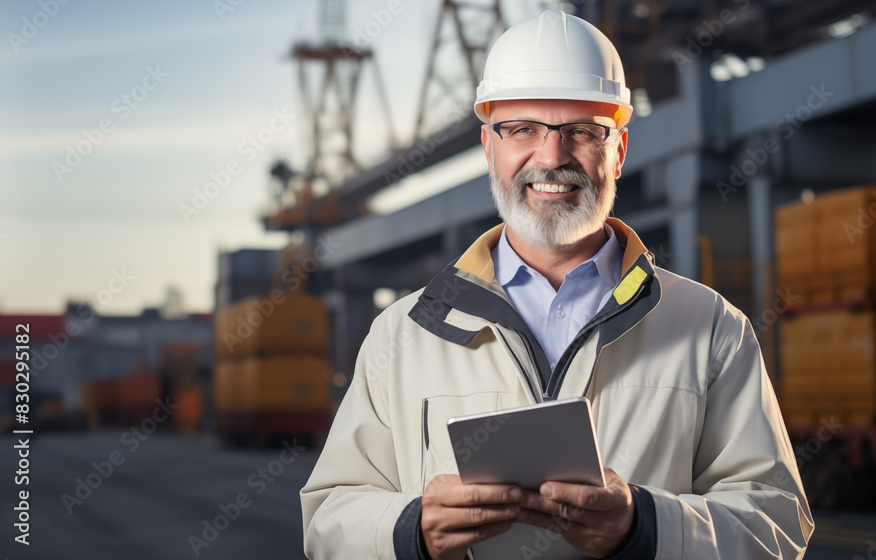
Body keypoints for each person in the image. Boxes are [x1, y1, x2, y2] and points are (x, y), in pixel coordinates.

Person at [301, 9, 813, 560]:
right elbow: (328, 520)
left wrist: (644, 527)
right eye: (522, 129)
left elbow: (776, 525)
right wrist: (412, 530)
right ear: (488, 147)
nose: (551, 157)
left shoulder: (710, 327)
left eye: (582, 132)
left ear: (618, 151)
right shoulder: (402, 335)